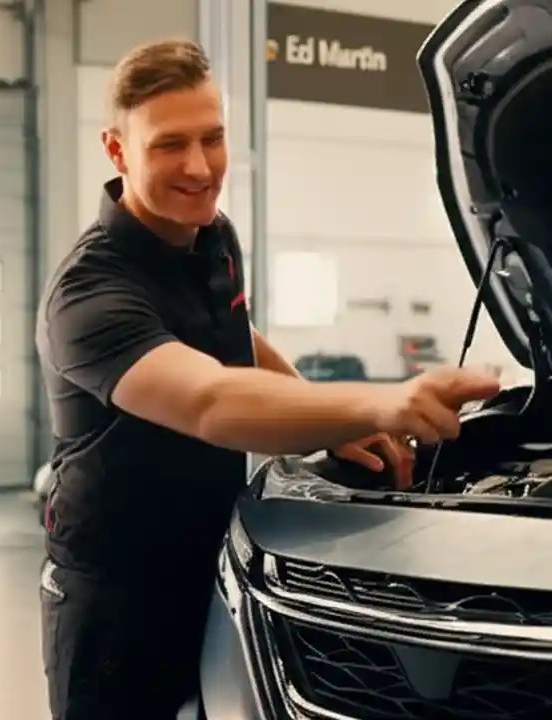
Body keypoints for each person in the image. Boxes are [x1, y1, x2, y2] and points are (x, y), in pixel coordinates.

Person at [35, 39, 501, 719]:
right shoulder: (89, 295)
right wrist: (375, 404)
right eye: (170, 145)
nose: (199, 168)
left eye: (213, 138)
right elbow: (210, 400)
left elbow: (233, 340)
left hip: (216, 558)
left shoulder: (211, 235)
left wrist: (326, 421)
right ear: (116, 150)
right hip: (116, 598)